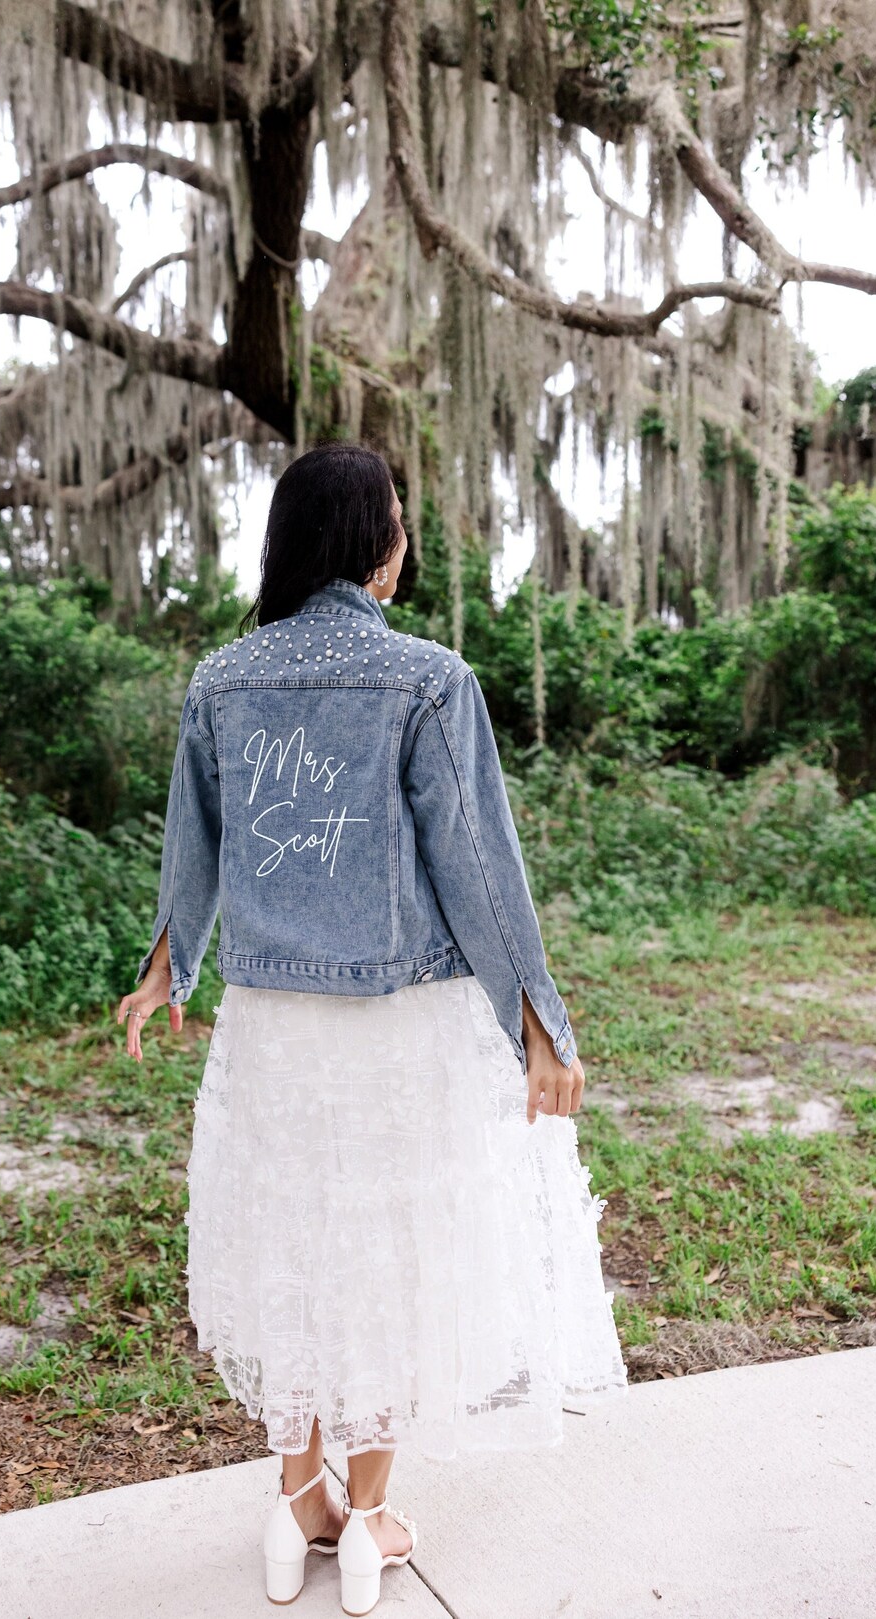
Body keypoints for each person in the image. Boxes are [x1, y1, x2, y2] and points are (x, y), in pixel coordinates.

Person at [117, 441, 628, 1616]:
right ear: (370, 543)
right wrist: (535, 1017)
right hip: (399, 1021)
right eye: (399, 519)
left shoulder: (221, 680)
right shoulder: (428, 679)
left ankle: (301, 1501)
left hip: (273, 1026)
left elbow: (194, 848)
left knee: (292, 1245)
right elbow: (480, 869)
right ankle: (370, 1520)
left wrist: (166, 970)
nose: (409, 540)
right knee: (385, 1256)